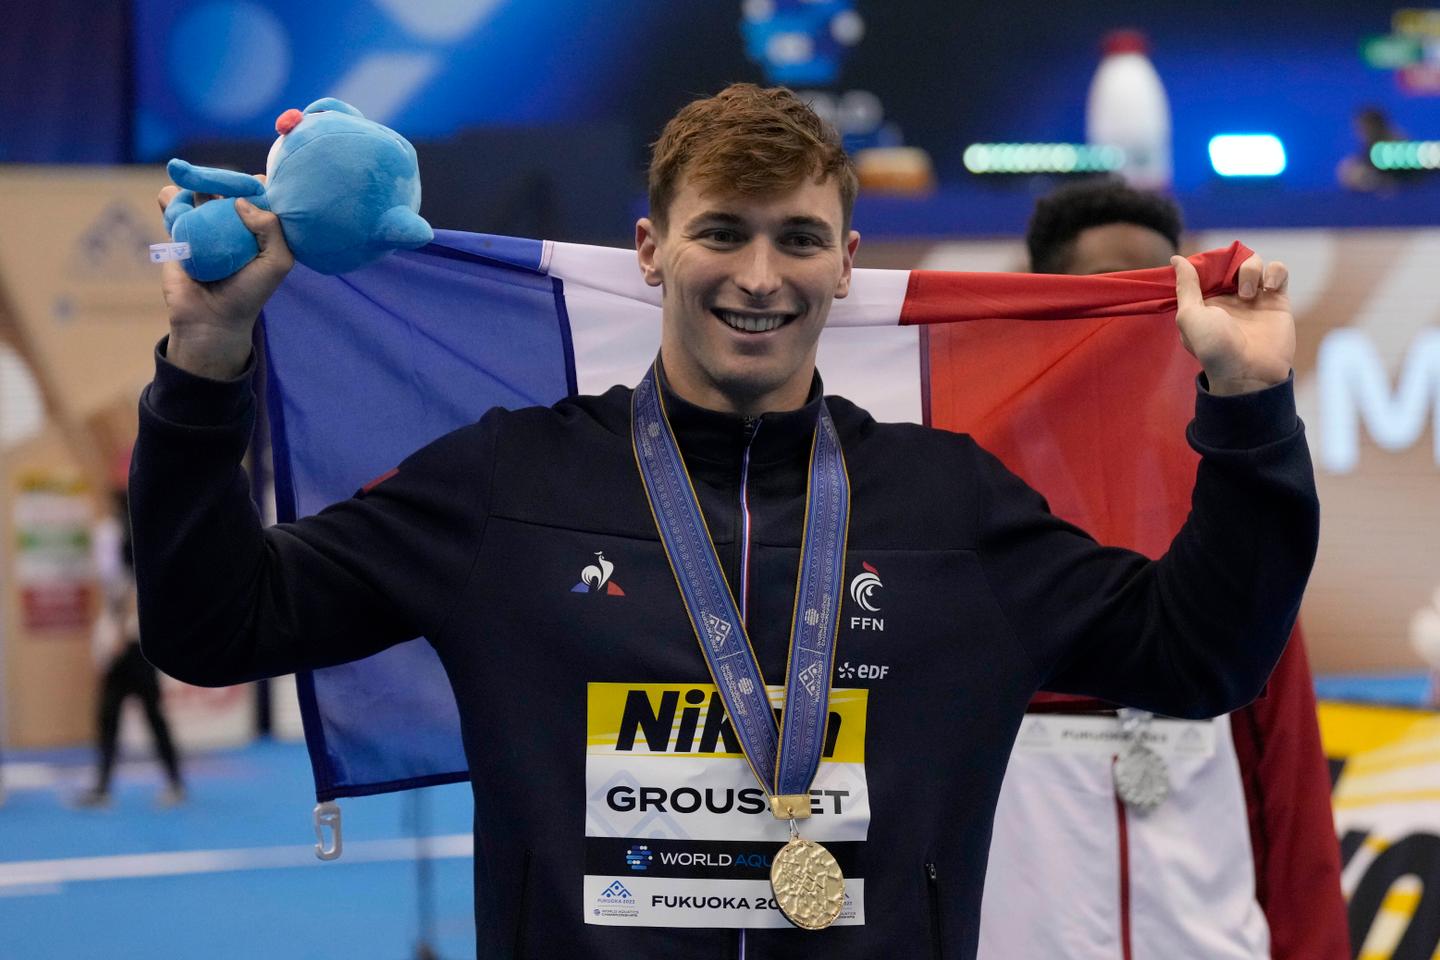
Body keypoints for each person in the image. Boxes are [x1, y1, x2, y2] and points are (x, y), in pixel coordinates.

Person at [132, 84, 1315, 958]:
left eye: (798, 238)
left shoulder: (950, 505)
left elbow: (1198, 651)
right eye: (722, 233)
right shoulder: (508, 486)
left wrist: (1252, 412)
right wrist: (206, 359)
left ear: (845, 263)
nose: (760, 276)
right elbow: (215, 623)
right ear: (652, 251)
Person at [977, 178, 1346, 960]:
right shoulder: (975, 501)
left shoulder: (1226, 503)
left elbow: (1288, 780)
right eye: (1098, 301)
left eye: (1149, 303)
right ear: (1042, 307)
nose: (1127, 330)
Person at [75, 491, 186, 808]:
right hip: (125, 643)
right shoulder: (125, 552)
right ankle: (105, 785)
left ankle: (174, 782)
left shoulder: (136, 554)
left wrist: (118, 637)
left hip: (134, 646)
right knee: (113, 716)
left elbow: (126, 598)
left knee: (148, 716)